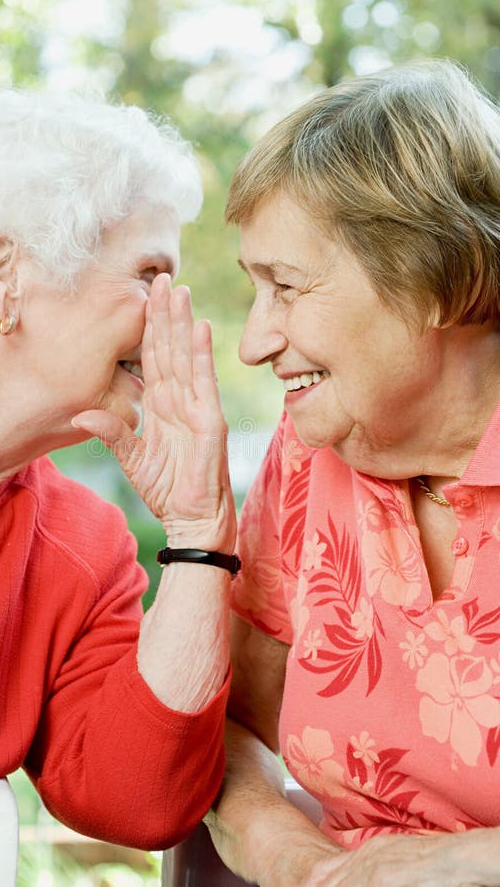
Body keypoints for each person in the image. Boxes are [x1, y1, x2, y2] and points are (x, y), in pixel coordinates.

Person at [0, 84, 238, 886]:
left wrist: (199, 535)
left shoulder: (81, 546)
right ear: (5, 274)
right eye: (149, 274)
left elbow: (139, 803)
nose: (174, 320)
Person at [206, 59, 500, 885]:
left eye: (287, 287)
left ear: (447, 275)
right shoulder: (307, 457)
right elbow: (226, 728)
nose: (254, 342)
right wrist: (297, 859)